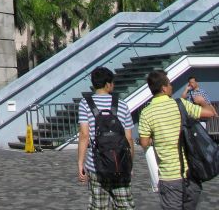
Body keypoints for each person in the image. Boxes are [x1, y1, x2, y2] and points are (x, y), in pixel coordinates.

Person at [139, 69, 218, 209]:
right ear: (163, 88)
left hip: (169, 177)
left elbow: (144, 142)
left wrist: (158, 137)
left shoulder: (146, 112)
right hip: (190, 174)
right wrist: (203, 102)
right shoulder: (181, 104)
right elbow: (211, 113)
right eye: (169, 84)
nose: (171, 86)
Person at [77, 66, 135, 210]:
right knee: (124, 204)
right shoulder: (121, 105)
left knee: (98, 205)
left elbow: (84, 135)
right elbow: (129, 139)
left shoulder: (85, 104)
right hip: (120, 164)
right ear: (108, 84)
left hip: (96, 164)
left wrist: (80, 162)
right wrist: (130, 164)